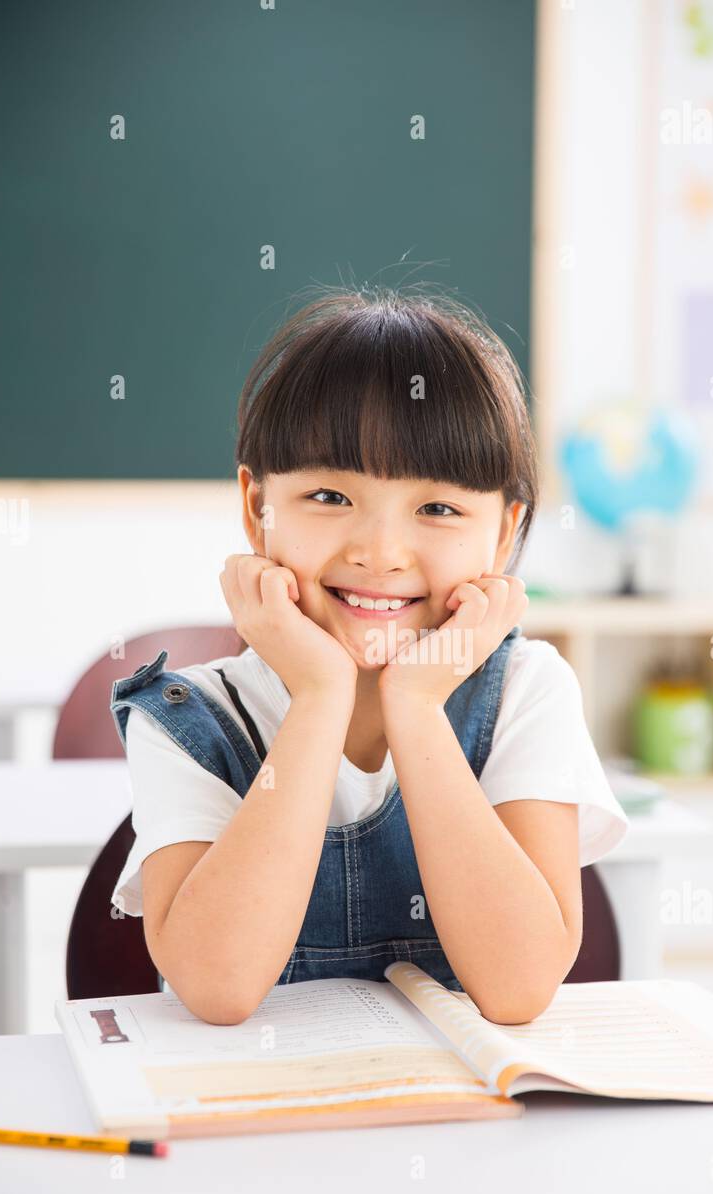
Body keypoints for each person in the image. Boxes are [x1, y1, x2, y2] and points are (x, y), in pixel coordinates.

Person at [109, 285, 628, 1026]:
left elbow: (517, 986)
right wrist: (319, 697)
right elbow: (217, 987)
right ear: (257, 509)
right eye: (329, 495)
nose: (380, 554)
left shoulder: (526, 690)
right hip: (254, 1127)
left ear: (504, 532)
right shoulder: (192, 720)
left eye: (439, 508)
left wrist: (415, 706)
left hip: (453, 1132)